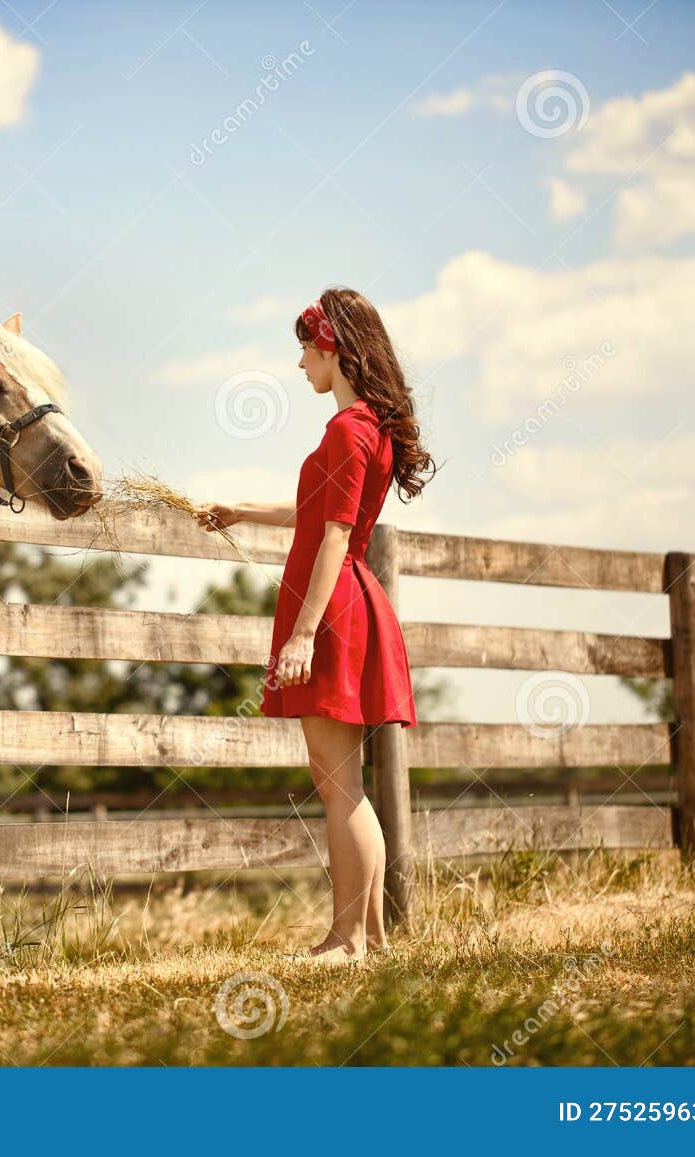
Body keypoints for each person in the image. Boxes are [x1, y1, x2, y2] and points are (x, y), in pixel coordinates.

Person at [196, 287, 434, 962]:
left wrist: (303, 634)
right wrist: (240, 508)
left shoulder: (345, 430)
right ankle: (375, 938)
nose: (301, 365)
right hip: (347, 602)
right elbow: (315, 509)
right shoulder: (367, 430)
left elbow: (333, 534)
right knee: (346, 783)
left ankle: (347, 936)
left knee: (339, 785)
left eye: (305, 350)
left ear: (331, 349)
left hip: (332, 612)